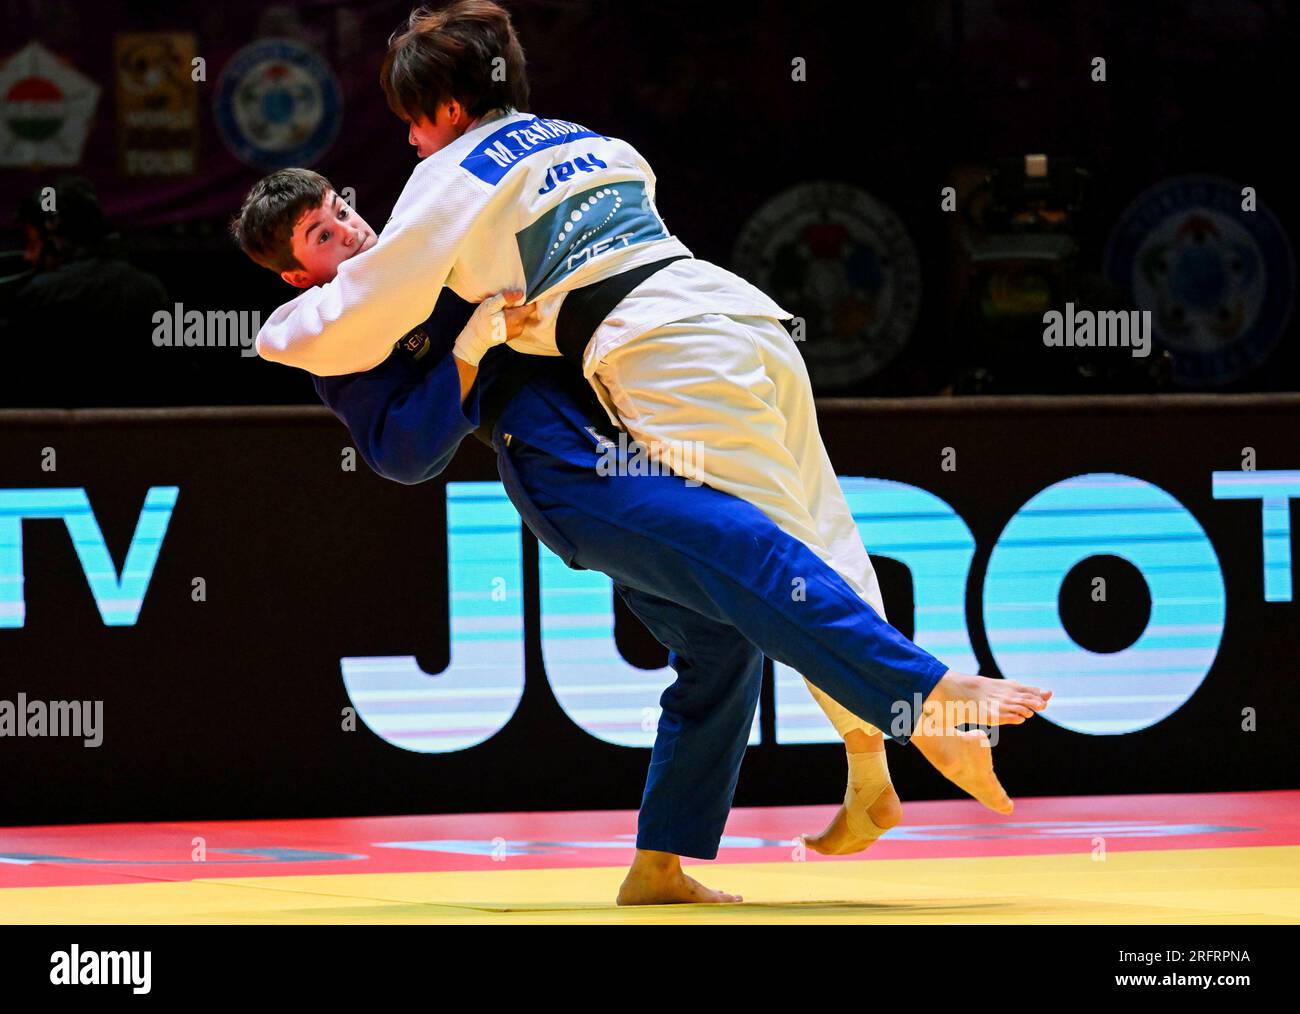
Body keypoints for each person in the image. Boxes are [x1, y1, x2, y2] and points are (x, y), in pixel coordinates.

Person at [234, 168, 1050, 902]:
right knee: (745, 540)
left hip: (630, 422)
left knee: (722, 647)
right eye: (322, 234)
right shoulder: (332, 331)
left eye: (341, 206)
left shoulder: (419, 252)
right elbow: (404, 453)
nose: (350, 227)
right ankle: (922, 695)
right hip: (563, 467)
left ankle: (661, 865)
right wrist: (467, 355)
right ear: (296, 274)